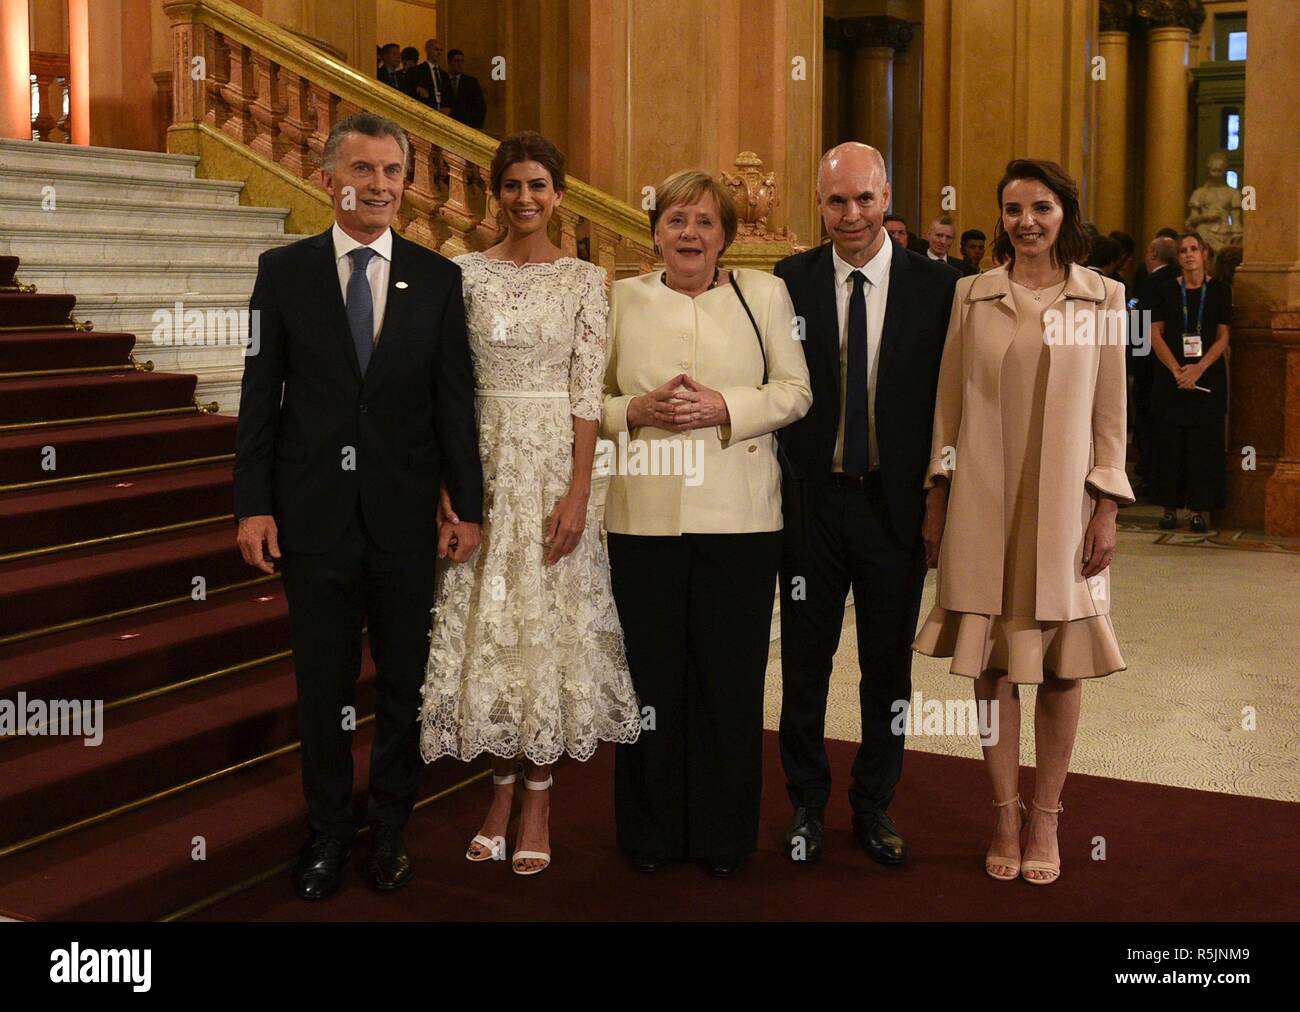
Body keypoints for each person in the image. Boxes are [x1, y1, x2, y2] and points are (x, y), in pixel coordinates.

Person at [234, 112, 484, 900]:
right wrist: (252, 505)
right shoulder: (282, 273)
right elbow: (256, 398)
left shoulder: (438, 279)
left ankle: (393, 831)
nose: (379, 186)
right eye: (363, 171)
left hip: (407, 522)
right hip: (310, 521)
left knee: (404, 687)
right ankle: (329, 833)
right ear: (328, 179)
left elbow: (455, 403)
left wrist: (466, 505)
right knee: (324, 689)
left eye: (392, 173)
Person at [419, 132, 641, 876]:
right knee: (492, 629)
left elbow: (587, 395)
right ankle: (497, 795)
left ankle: (539, 800)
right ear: (493, 193)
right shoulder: (462, 275)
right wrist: (451, 484)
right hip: (482, 463)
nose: (524, 199)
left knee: (542, 631)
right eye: (511, 185)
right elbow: (446, 387)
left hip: (551, 468)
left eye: (538, 186)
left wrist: (579, 493)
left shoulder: (583, 280)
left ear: (559, 196)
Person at [914, 158, 1133, 886]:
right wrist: (938, 493)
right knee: (995, 667)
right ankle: (1004, 810)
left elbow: (1111, 417)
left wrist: (1106, 507)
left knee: (1063, 666)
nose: (1026, 221)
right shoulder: (971, 295)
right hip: (981, 499)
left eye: (1041, 207)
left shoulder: (1104, 297)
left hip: (1066, 506)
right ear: (1001, 217)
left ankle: (1048, 815)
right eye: (1013, 209)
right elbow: (948, 403)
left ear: (1065, 212)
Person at [602, 169, 811, 877]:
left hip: (741, 520)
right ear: (655, 231)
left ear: (725, 236)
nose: (690, 234)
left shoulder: (767, 294)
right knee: (651, 683)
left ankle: (724, 837)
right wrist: (633, 410)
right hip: (641, 520)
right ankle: (651, 834)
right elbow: (586, 402)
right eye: (676, 221)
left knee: (728, 682)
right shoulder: (620, 299)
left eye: (705, 223)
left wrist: (728, 407)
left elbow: (796, 391)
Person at [774, 143, 957, 866]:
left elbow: (954, 407)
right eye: (834, 201)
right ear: (818, 205)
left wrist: (941, 495)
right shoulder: (789, 282)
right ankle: (805, 806)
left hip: (894, 508)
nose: (850, 215)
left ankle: (875, 805)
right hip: (811, 507)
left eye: (864, 199)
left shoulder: (939, 289)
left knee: (888, 669)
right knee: (804, 667)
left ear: (887, 197)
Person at [1148, 233, 1231, 532]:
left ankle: (1198, 509)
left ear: (1205, 254)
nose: (1188, 255)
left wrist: (1197, 370)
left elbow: (1223, 336)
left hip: (1206, 376)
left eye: (1194, 249)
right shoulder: (1164, 290)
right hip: (1172, 376)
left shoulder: (1220, 291)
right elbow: (1154, 333)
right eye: (1183, 250)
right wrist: (1176, 370)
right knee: (1170, 444)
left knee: (1203, 445)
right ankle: (1169, 507)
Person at [406, 37, 451, 112]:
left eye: (441, 50)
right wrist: (417, 89)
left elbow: (449, 95)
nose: (439, 53)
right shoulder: (416, 71)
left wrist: (449, 109)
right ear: (427, 50)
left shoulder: (444, 75)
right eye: (436, 49)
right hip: (425, 111)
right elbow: (408, 89)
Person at [446, 49, 487, 129]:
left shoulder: (471, 82)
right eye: (456, 61)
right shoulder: (442, 79)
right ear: (449, 62)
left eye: (462, 61)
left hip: (466, 125)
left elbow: (480, 107)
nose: (460, 64)